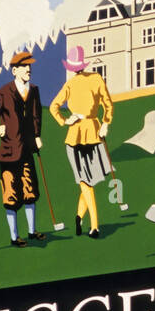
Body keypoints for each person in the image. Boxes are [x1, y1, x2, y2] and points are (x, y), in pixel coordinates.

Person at [0, 50, 45, 247]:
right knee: (10, 194)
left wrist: (37, 136)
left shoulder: (34, 90)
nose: (28, 70)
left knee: (30, 190)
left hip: (27, 150)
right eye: (24, 67)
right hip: (8, 153)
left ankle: (32, 231)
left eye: (29, 66)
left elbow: (37, 116)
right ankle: (14, 236)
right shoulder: (4, 92)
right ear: (14, 71)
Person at [49, 46, 114, 238]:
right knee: (85, 183)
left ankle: (78, 217)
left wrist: (105, 123)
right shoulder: (73, 84)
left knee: (89, 182)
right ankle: (94, 226)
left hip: (92, 133)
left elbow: (108, 104)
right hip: (75, 137)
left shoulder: (94, 79)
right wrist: (66, 121)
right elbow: (54, 106)